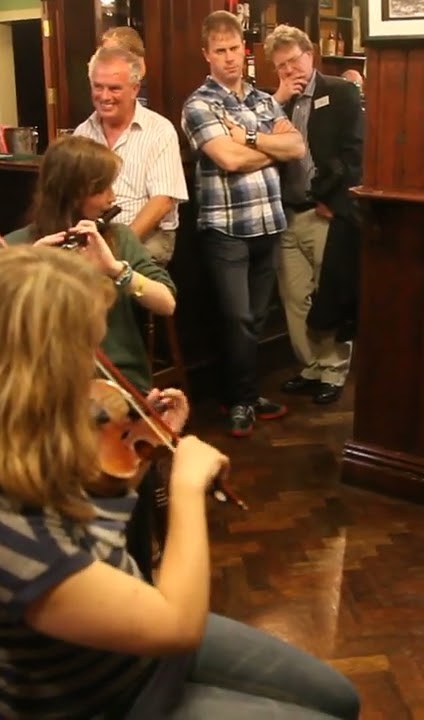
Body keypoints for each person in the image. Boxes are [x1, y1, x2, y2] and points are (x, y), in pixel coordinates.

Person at [0, 246, 361, 719]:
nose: (94, 372)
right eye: (83, 355)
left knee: (340, 698)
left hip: (138, 653)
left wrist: (145, 442)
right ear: (30, 373)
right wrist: (185, 487)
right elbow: (177, 624)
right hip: (111, 701)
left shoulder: (38, 435)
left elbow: (99, 512)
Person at [4, 134, 179, 572]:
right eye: (102, 188)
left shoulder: (117, 239)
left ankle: (135, 572)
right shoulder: (19, 244)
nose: (111, 198)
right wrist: (27, 270)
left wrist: (118, 272)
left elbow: (167, 302)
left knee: (123, 482)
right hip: (46, 395)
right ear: (72, 190)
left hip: (120, 390)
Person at [180, 10, 306, 436]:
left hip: (268, 222)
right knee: (235, 318)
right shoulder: (199, 104)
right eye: (221, 51)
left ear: (244, 50)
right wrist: (269, 150)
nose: (230, 58)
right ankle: (237, 400)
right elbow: (228, 159)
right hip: (225, 229)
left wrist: (250, 139)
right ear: (206, 54)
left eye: (235, 49)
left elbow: (297, 145)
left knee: (253, 317)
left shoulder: (263, 100)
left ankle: (247, 395)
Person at [265, 24, 364, 406]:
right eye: (282, 66)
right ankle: (310, 367)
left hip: (324, 210)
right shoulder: (275, 102)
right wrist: (276, 99)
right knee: (294, 296)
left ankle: (334, 371)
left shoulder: (340, 92)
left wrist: (335, 203)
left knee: (330, 295)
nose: (291, 70)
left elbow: (355, 155)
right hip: (285, 213)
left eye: (295, 60)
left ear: (310, 54)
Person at [73, 47, 188, 265]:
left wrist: (118, 248)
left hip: (147, 238)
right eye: (98, 87)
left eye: (114, 88)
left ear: (135, 89)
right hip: (96, 235)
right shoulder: (82, 133)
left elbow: (162, 202)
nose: (104, 96)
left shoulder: (160, 130)